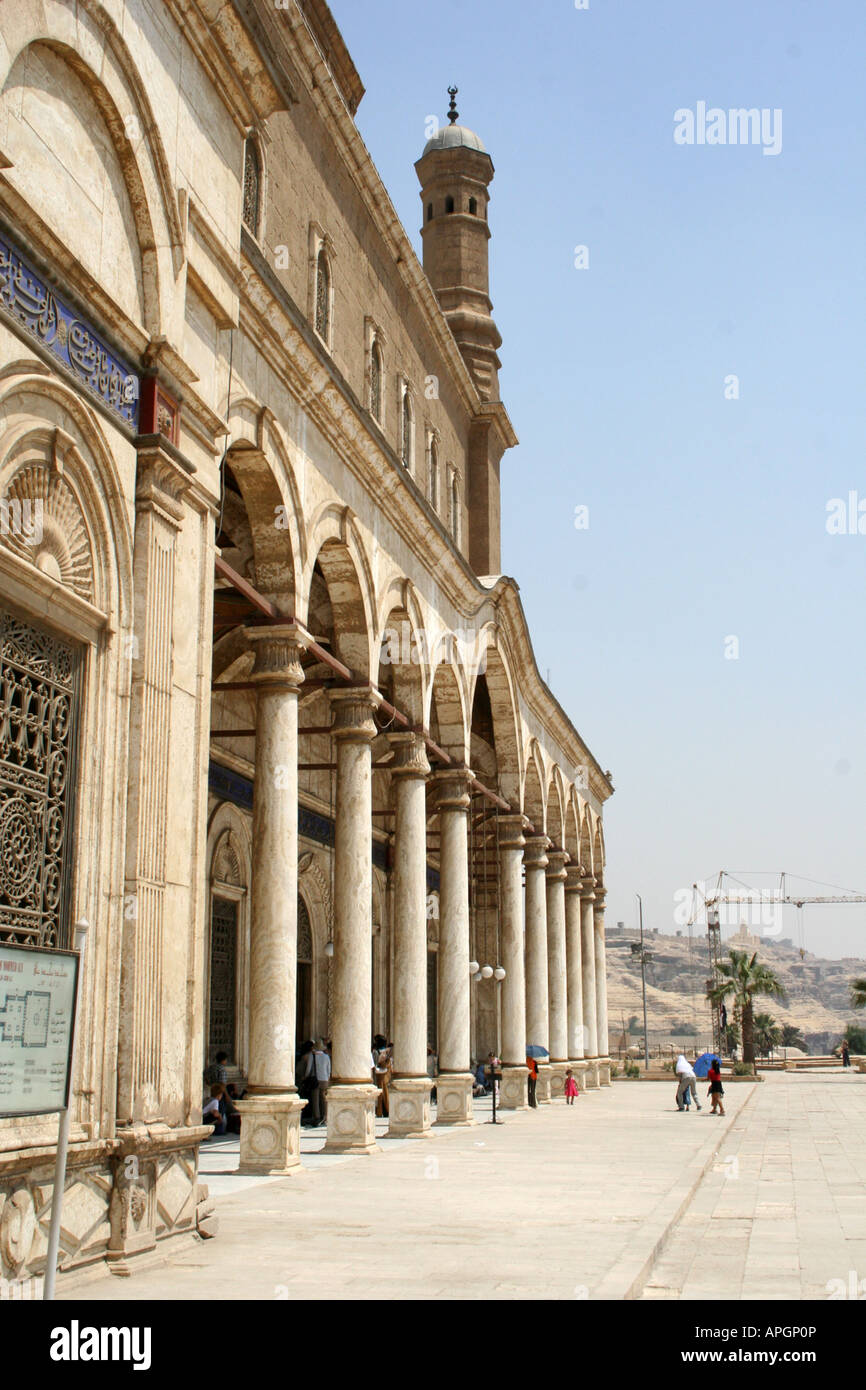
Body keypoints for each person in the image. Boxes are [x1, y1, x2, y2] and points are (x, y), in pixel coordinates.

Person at [311, 1039, 331, 1126]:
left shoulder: (313, 1056)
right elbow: (328, 1069)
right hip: (325, 1079)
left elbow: (310, 1069)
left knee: (315, 1099)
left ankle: (317, 1117)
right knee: (324, 1099)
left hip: (315, 1079)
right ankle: (325, 1116)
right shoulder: (326, 1057)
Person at [297, 1040, 318, 1126]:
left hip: (303, 1079)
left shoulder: (304, 1055)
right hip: (308, 1079)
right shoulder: (310, 1056)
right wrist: (305, 1076)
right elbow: (308, 1068)